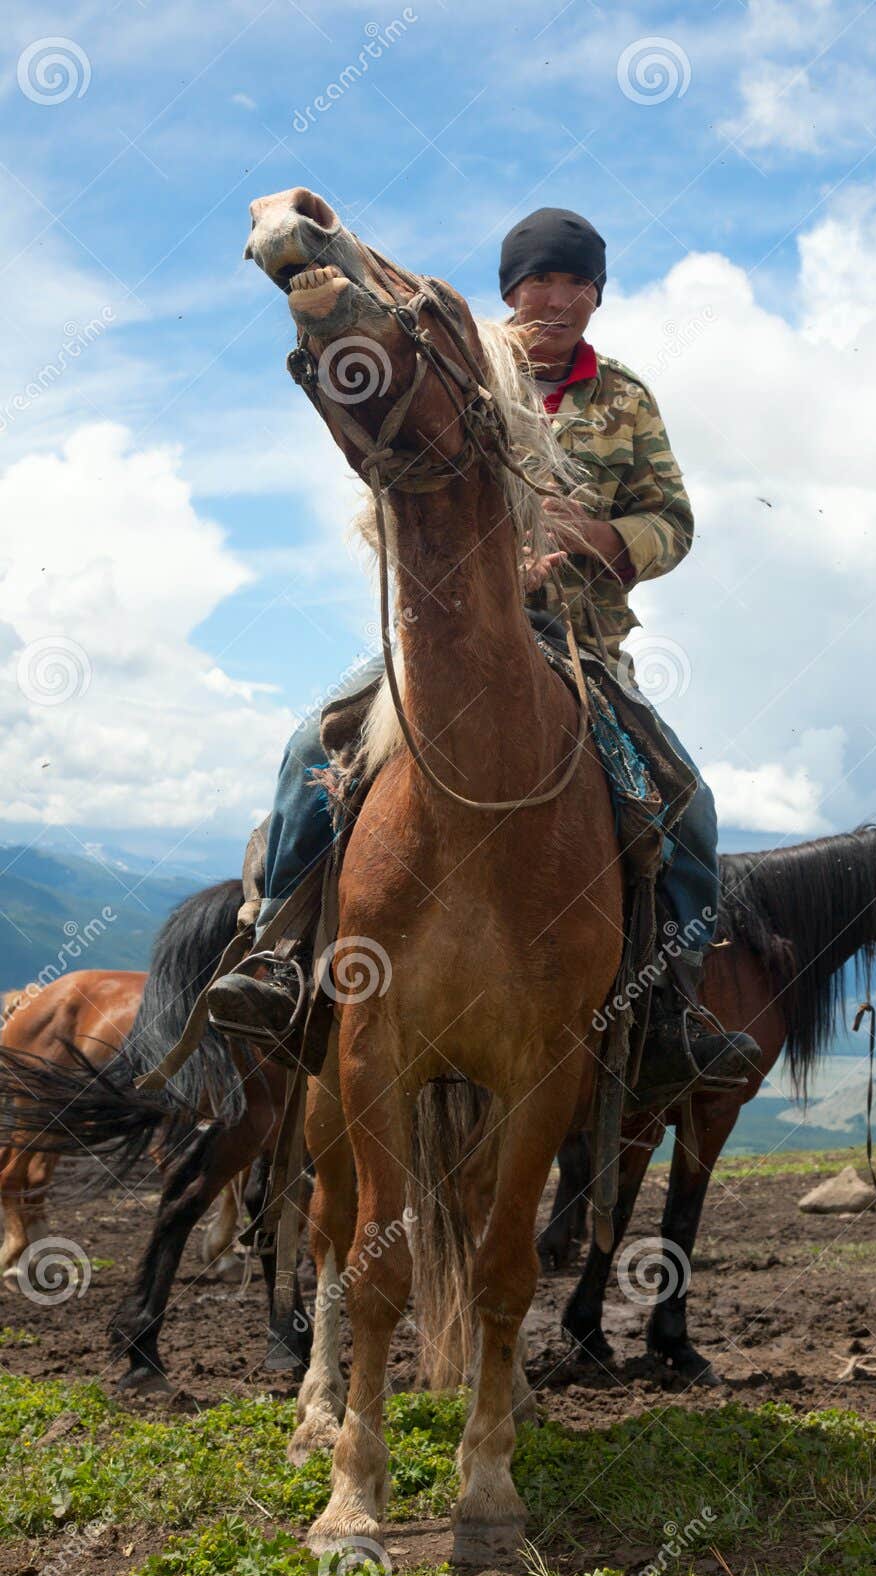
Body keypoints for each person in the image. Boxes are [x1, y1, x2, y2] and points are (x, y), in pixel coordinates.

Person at [208, 209, 759, 1101]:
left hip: (579, 646)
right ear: (510, 290)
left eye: (577, 284)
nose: (557, 299)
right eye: (540, 281)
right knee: (313, 745)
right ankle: (276, 955)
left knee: (684, 800)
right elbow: (391, 476)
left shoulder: (623, 398)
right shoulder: (459, 362)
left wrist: (596, 538)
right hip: (447, 633)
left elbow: (672, 522)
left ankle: (671, 1006)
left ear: (596, 296)